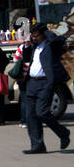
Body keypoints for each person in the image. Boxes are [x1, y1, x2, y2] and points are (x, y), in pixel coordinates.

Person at [21, 22, 71, 154]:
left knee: (42, 112)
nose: (34, 37)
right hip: (32, 83)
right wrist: (27, 44)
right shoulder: (34, 46)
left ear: (43, 34)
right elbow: (26, 58)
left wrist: (47, 31)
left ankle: (63, 132)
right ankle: (37, 146)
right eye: (33, 35)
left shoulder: (51, 45)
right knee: (30, 116)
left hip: (45, 83)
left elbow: (59, 39)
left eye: (36, 35)